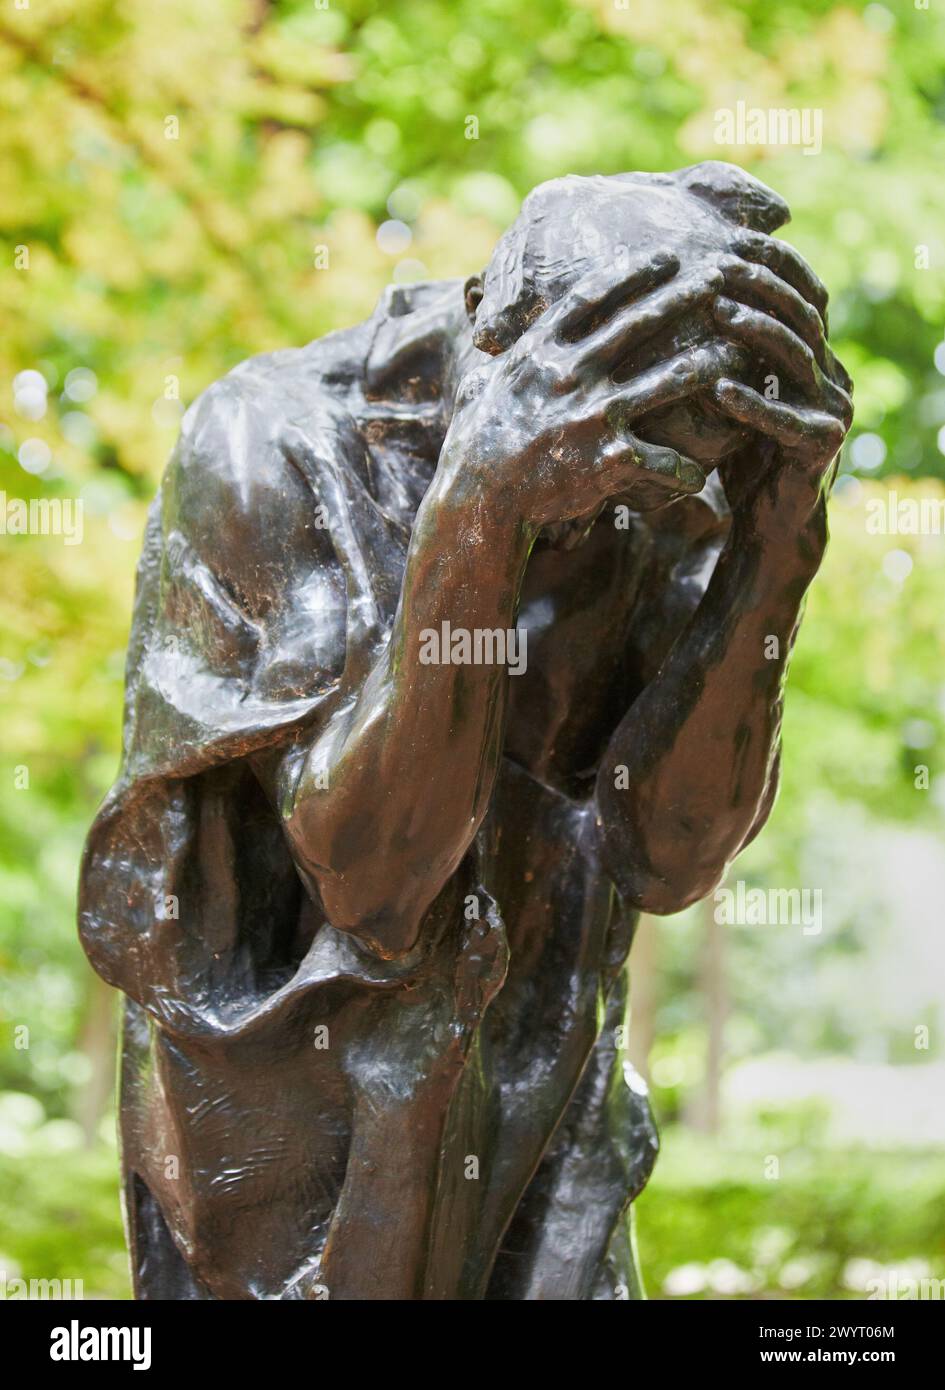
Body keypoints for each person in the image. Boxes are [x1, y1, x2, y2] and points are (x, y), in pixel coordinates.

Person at [79, 161, 852, 1300]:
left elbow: (670, 855)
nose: (661, 520)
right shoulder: (272, 444)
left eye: (696, 485)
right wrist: (485, 510)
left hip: (538, 1085)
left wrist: (777, 545)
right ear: (501, 351)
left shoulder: (687, 449)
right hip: (296, 1133)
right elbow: (375, 882)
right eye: (632, 481)